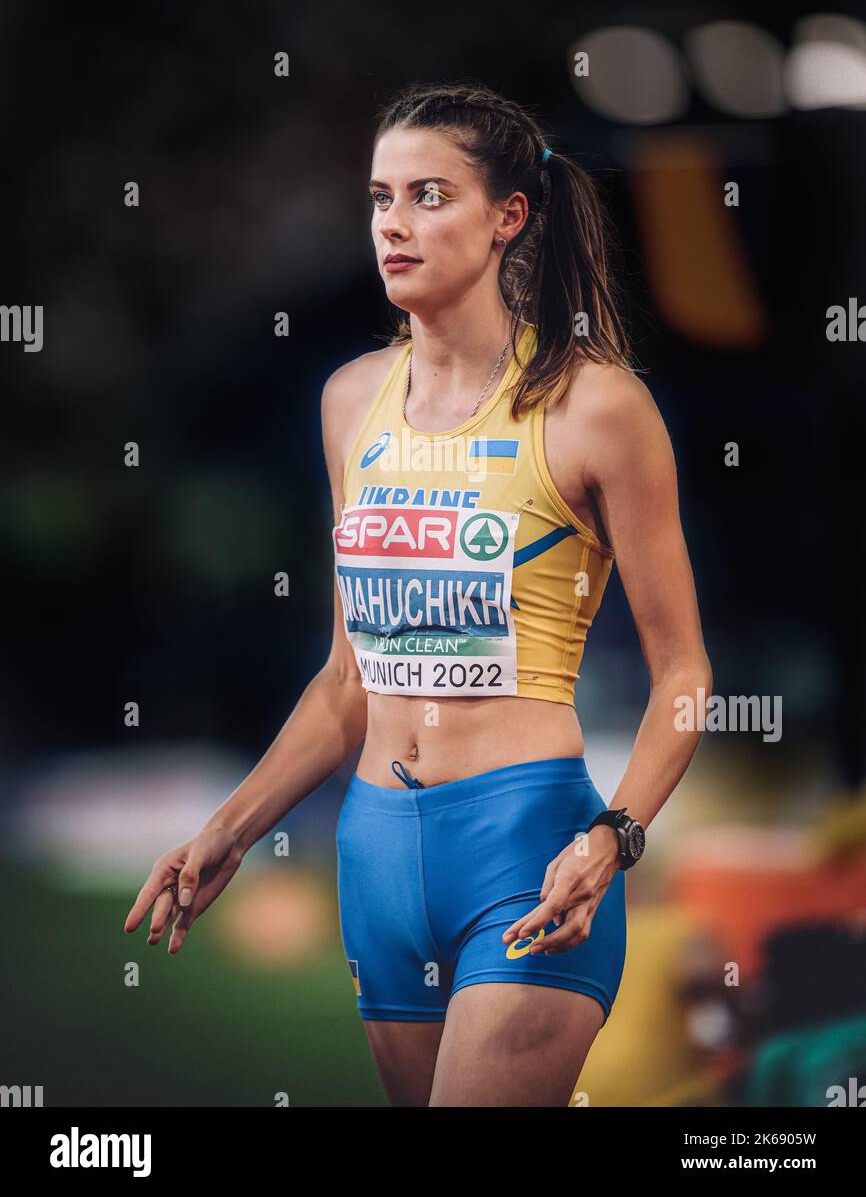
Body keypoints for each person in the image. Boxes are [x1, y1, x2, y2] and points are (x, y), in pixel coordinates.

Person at [124, 81, 712, 1107]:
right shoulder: (351, 401)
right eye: (378, 196)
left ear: (507, 217)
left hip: (527, 850)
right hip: (376, 853)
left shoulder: (595, 407)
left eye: (429, 195)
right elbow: (345, 680)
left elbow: (682, 673)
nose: (392, 223)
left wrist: (613, 836)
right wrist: (231, 826)